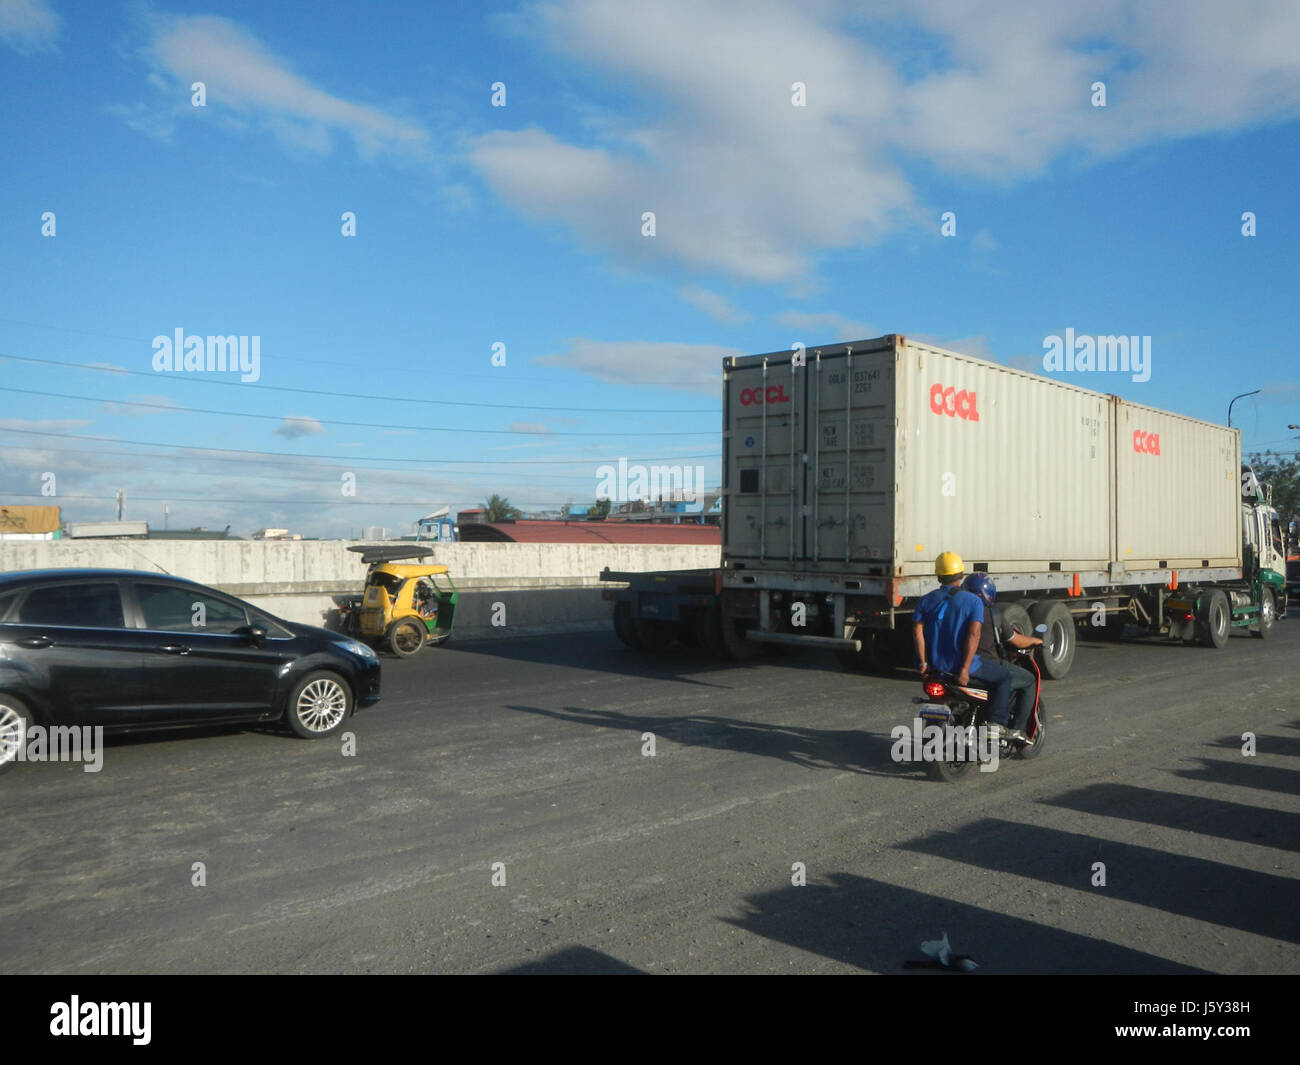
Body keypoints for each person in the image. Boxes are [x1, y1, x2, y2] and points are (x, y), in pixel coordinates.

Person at [913, 552, 1014, 740]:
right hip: (961, 665)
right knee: (1004, 677)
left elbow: (918, 633)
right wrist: (965, 669)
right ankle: (996, 724)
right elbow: (973, 635)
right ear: (961, 575)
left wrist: (923, 663)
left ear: (938, 575)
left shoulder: (925, 600)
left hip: (935, 666)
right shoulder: (973, 601)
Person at [963, 574, 1043, 743]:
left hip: (957, 664)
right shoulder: (992, 614)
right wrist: (1034, 640)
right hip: (984, 665)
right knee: (1028, 681)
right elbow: (1016, 640)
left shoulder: (958, 610)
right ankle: (1017, 730)